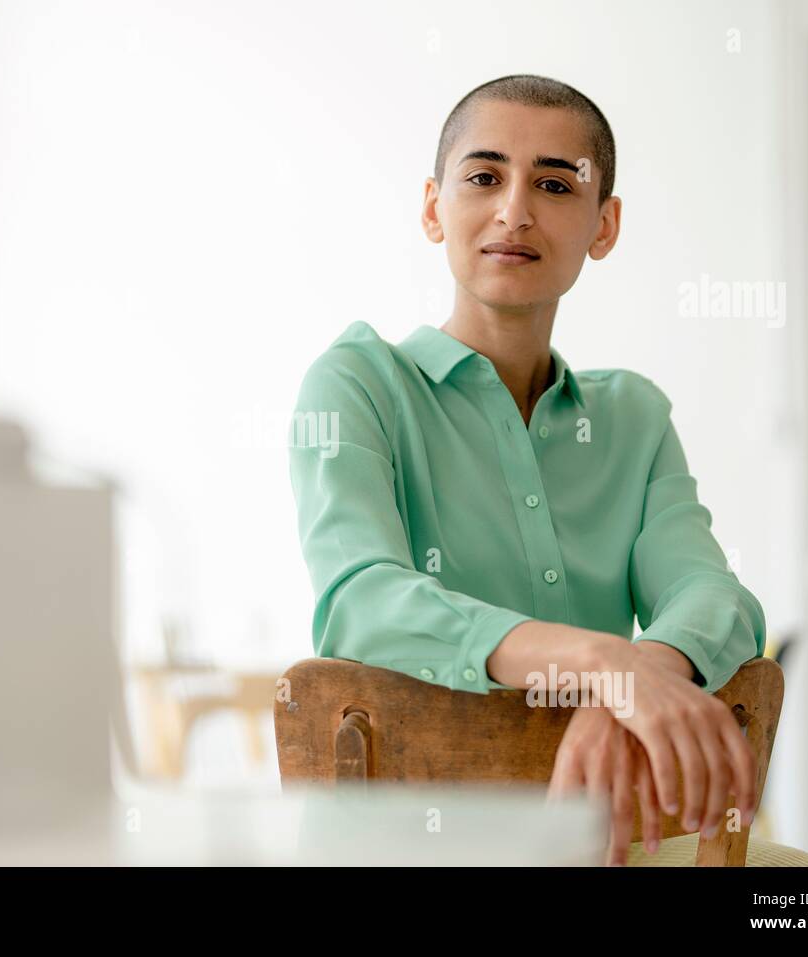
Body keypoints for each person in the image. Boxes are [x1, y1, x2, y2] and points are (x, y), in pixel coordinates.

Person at [287, 74, 764, 866]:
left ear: (603, 226)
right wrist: (602, 661)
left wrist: (639, 675)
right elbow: (363, 599)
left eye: (553, 183)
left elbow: (713, 598)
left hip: (601, 846)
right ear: (435, 207)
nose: (514, 209)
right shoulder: (355, 383)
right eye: (484, 177)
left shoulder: (635, 418)